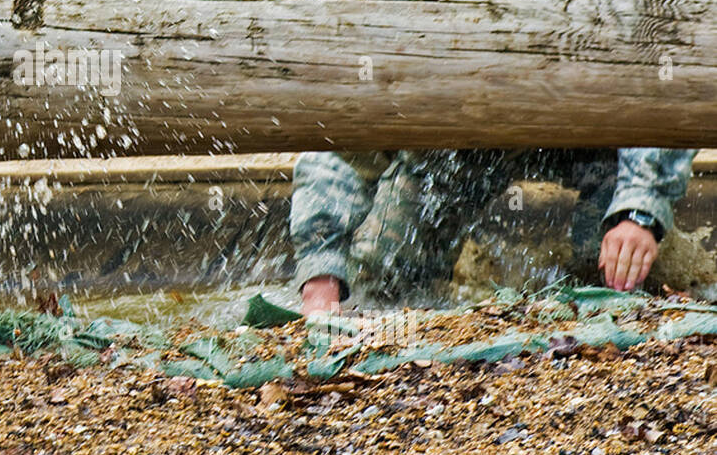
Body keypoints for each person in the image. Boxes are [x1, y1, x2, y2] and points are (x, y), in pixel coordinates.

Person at [289, 148, 696, 316]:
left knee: (616, 296)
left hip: (592, 136)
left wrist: (640, 210)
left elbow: (660, 70)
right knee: (383, 279)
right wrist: (321, 268)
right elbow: (344, 134)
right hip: (455, 149)